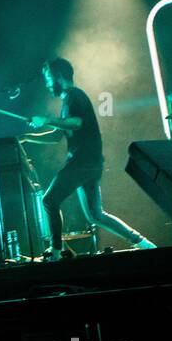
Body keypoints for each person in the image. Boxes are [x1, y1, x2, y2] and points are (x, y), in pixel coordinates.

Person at [22, 58, 155, 259]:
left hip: (82, 162)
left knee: (49, 200)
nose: (47, 84)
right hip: (90, 163)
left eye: (48, 78)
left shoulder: (75, 96)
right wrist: (25, 138)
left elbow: (75, 123)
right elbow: (58, 135)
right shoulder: (69, 100)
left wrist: (47, 119)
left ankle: (56, 253)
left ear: (58, 76)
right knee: (96, 215)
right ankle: (144, 243)